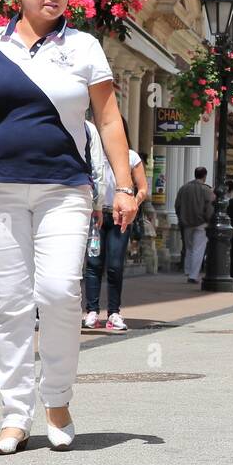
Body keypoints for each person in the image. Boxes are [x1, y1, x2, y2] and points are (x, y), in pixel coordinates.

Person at [0, 0, 137, 455]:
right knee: (10, 304)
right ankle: (14, 415)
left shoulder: (84, 48)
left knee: (58, 293)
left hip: (64, 189)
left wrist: (124, 185)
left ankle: (57, 400)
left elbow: (109, 119)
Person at [83, 117, 148, 331]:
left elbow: (143, 188)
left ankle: (114, 312)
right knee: (93, 265)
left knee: (115, 266)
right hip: (97, 215)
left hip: (120, 217)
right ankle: (92, 311)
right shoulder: (94, 155)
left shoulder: (130, 156)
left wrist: (132, 204)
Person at [175, 167, 214, 284]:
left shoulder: (184, 188)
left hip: (186, 222)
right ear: (205, 176)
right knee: (198, 249)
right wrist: (209, 220)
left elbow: (177, 205)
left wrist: (181, 217)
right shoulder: (207, 190)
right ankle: (193, 275)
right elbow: (210, 208)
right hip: (201, 223)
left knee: (189, 247)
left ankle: (187, 270)